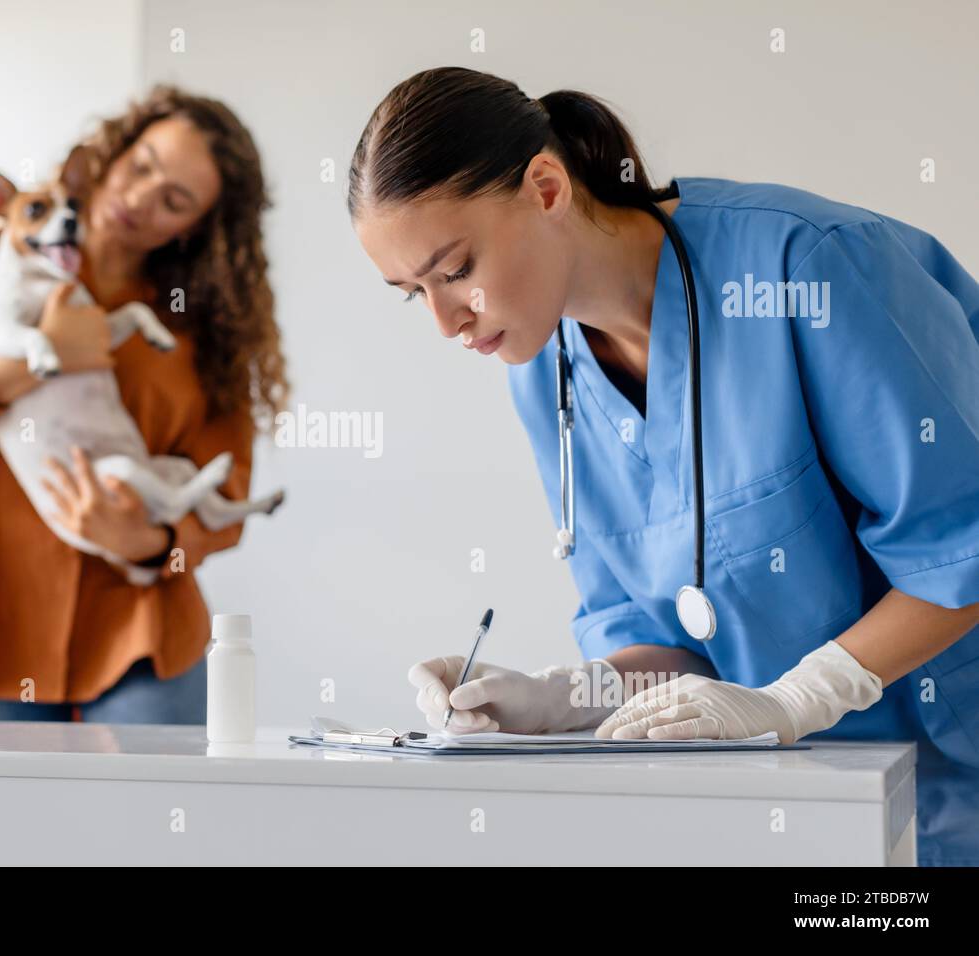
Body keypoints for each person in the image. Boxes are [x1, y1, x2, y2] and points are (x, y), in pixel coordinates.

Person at [348, 66, 979, 866]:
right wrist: (565, 698)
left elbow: (960, 550)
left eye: (456, 270)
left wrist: (793, 700)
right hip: (815, 815)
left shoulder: (805, 266)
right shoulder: (548, 373)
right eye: (413, 293)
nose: (444, 321)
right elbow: (675, 640)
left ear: (547, 188)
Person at [0, 85, 287, 724]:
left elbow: (228, 488)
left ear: (198, 227)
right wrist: (27, 363)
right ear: (117, 146)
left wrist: (152, 541)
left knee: (156, 822)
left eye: (173, 200)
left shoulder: (205, 324)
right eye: (143, 164)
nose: (138, 197)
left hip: (143, 637)